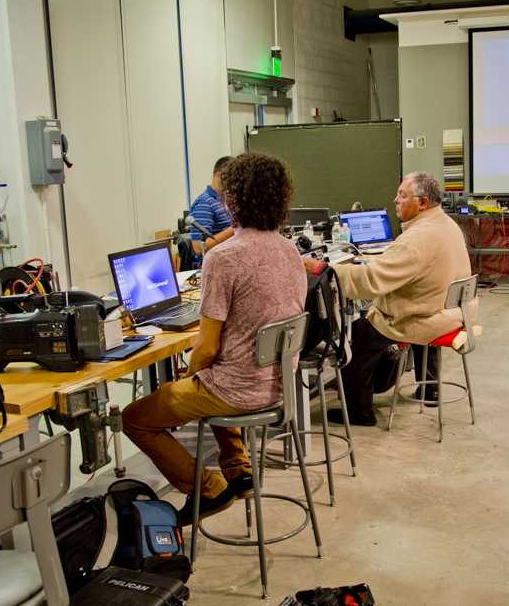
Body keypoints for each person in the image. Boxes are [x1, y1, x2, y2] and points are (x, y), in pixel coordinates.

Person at [122, 152, 306, 524]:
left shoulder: (223, 258)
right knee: (219, 372)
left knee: (136, 418)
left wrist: (186, 379)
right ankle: (238, 471)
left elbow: (205, 347)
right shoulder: (290, 251)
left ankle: (208, 487)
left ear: (231, 199)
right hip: (278, 385)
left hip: (236, 392)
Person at [302, 172, 471, 427]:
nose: (395, 200)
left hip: (424, 319)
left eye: (402, 196)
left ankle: (360, 413)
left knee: (354, 335)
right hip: (451, 313)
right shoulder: (446, 225)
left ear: (423, 203)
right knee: (371, 321)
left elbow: (372, 280)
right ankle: (429, 388)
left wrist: (322, 269)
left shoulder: (417, 239)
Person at [189, 156, 236, 257]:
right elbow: (197, 248)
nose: (235, 183)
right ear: (219, 175)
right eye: (233, 178)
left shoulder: (225, 200)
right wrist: (234, 229)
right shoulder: (204, 203)